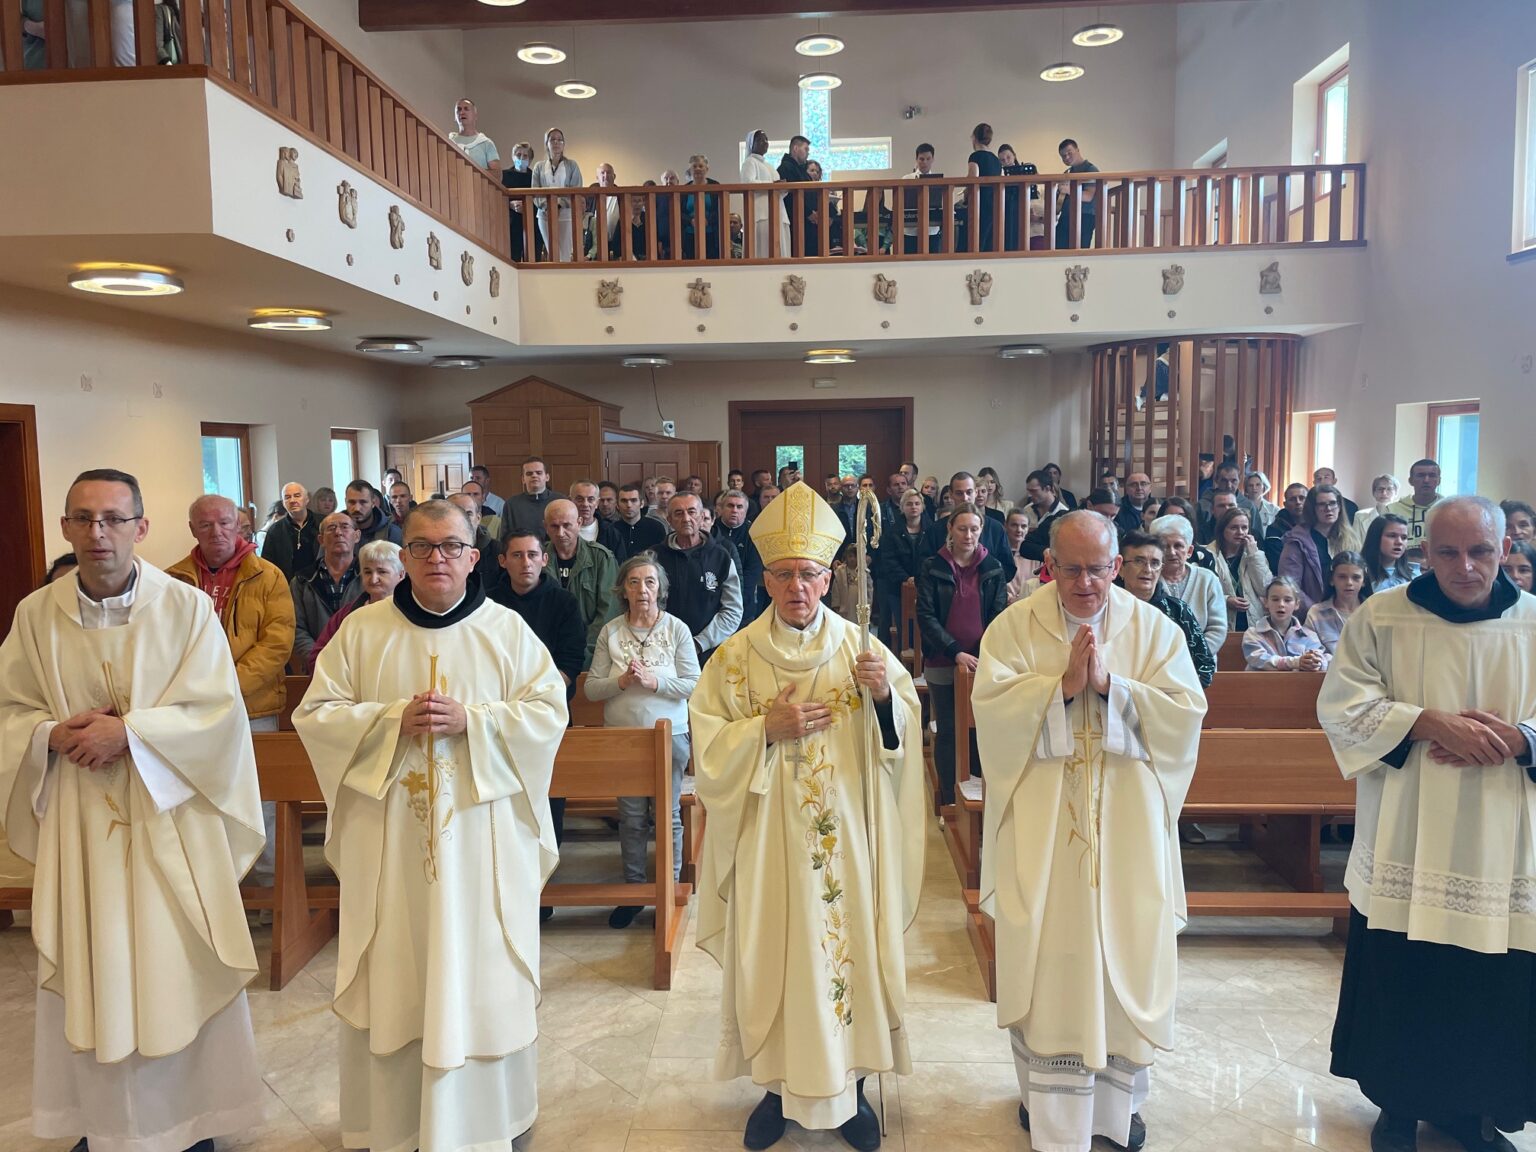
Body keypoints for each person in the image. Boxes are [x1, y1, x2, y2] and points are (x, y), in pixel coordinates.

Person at [0, 468, 268, 1152]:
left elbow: (219, 716)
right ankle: (106, 1125)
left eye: (115, 519)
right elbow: (10, 710)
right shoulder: (37, 616)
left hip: (168, 828)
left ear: (141, 529)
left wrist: (132, 734)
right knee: (95, 966)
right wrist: (48, 735)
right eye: (84, 519)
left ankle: (188, 1121)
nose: (99, 533)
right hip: (80, 827)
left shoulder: (184, 610)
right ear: (64, 527)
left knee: (172, 965)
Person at [295, 500, 568, 1152]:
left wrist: (474, 722)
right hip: (391, 852)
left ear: (475, 557)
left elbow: (548, 713)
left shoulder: (507, 633)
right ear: (402, 556)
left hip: (483, 848)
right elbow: (317, 716)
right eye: (422, 547)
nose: (437, 558)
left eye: (451, 546)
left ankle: (487, 1122)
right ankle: (394, 1125)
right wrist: (391, 721)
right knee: (399, 969)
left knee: (480, 970)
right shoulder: (361, 633)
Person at [689, 481, 926, 1151]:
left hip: (845, 841)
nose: (798, 586)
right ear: (765, 578)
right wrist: (764, 729)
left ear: (831, 577)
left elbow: (900, 743)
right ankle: (774, 1086)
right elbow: (708, 747)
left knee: (844, 956)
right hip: (765, 844)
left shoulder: (862, 651)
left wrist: (884, 699)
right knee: (774, 958)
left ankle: (848, 1091)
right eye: (785, 574)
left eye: (810, 574)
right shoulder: (733, 661)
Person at [974, 510, 1206, 1152]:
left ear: (1118, 566)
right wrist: (1060, 689)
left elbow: (1187, 715)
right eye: (1070, 569)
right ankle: (1046, 1108)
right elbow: (990, 715)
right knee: (1052, 958)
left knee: (1124, 954)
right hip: (1045, 839)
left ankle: (1117, 1109)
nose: (1085, 584)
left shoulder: (1154, 631)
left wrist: (1111, 688)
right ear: (1049, 564)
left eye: (1098, 569)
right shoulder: (1014, 628)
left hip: (1128, 838)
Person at [1319, 496, 1536, 1152]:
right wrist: (1423, 720)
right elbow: (1341, 702)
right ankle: (1397, 1109)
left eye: (1480, 551)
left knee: (1488, 980)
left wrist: (1523, 740)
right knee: (1404, 972)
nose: (1465, 566)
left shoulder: (1533, 623)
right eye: (1448, 552)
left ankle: (1469, 1113)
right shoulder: (1383, 617)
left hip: (1503, 838)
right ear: (1423, 551)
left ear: (1506, 551)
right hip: (1408, 827)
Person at [168, 494, 295, 887]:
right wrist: (194, 694)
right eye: (206, 525)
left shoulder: (268, 576)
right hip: (190, 710)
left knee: (260, 801)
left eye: (224, 523)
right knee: (201, 799)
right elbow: (161, 645)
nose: (217, 532)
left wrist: (227, 690)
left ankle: (268, 889)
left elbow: (277, 644)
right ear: (192, 529)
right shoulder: (172, 579)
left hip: (252, 708)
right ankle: (215, 891)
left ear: (239, 524)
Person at [585, 554, 700, 929]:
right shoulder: (612, 632)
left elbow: (693, 683)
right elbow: (590, 690)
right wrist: (621, 682)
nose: (642, 590)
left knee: (666, 816)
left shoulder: (677, 629)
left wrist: (654, 682)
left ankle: (668, 889)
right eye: (634, 582)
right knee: (632, 818)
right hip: (622, 739)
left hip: (670, 735)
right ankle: (634, 892)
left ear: (660, 589)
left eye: (650, 582)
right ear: (623, 590)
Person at [918, 503, 1008, 806]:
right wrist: (955, 651)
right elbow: (926, 615)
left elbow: (998, 615)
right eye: (962, 528)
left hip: (982, 662)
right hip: (943, 659)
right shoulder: (933, 565)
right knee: (948, 728)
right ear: (950, 530)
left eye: (974, 528)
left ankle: (977, 795)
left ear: (981, 530)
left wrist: (981, 653)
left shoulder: (992, 566)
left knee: (978, 727)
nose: (968, 535)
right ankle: (947, 798)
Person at [1117, 531, 1215, 686]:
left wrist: (1178, 694)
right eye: (1139, 561)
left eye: (1155, 563)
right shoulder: (1109, 609)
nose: (1148, 569)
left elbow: (1206, 665)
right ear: (1120, 568)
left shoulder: (1178, 611)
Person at [654, 492, 742, 662]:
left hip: (711, 653)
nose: (686, 518)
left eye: (692, 512)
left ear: (702, 517)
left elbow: (732, 610)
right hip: (664, 651)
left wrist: (699, 643)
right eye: (678, 513)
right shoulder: (654, 557)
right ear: (669, 520)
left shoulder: (721, 557)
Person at [542, 498, 618, 670]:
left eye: (567, 525)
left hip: (592, 652)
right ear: (545, 527)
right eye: (554, 526)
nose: (561, 533)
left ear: (579, 523)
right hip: (546, 653)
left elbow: (608, 612)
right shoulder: (536, 559)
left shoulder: (601, 558)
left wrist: (584, 649)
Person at [309, 540, 404, 671]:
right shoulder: (347, 614)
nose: (373, 579)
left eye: (382, 572)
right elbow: (318, 657)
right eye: (367, 572)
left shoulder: (410, 613)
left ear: (401, 575)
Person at [1149, 514, 1226, 661]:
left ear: (1189, 551)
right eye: (1164, 546)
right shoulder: (1148, 579)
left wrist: (1192, 658)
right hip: (1158, 663)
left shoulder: (1207, 579)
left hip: (1200, 666)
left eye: (1178, 546)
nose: (1171, 552)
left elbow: (1217, 629)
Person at [291, 511, 362, 671]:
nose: (338, 532)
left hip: (362, 665)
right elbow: (296, 628)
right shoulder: (302, 581)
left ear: (356, 536)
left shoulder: (369, 577)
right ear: (321, 539)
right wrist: (319, 660)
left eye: (345, 527)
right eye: (331, 528)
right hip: (315, 668)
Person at [1279, 483, 1361, 611]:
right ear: (1312, 509)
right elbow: (1290, 585)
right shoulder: (1297, 542)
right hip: (1311, 615)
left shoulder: (1351, 539)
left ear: (1339, 507)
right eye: (1322, 504)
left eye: (1333, 503)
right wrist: (1317, 612)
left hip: (1347, 612)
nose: (1328, 509)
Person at [928, 471, 1017, 581]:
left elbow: (1008, 568)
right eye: (959, 493)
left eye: (969, 492)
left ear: (975, 492)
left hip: (986, 593)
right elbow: (924, 569)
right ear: (951, 494)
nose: (965, 498)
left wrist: (988, 585)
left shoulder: (995, 528)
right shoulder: (936, 529)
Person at [875, 488, 934, 650]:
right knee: (904, 627)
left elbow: (933, 558)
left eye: (917, 503)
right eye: (909, 504)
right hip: (898, 587)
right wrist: (906, 578)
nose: (913, 507)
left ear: (922, 507)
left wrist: (921, 578)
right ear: (902, 508)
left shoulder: (932, 531)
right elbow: (889, 561)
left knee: (926, 625)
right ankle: (905, 662)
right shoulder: (891, 532)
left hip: (926, 586)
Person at [1243, 576, 1329, 671]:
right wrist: (1296, 662)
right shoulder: (1253, 634)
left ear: (1297, 604)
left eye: (1287, 600)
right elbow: (1259, 659)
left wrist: (1316, 663)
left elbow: (1321, 659)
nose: (1281, 604)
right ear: (1266, 602)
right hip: (1261, 685)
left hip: (1298, 685)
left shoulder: (1309, 636)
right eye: (1275, 599)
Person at [1211, 506, 1274, 633]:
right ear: (1223, 529)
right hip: (1221, 622)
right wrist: (1226, 600)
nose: (1240, 532)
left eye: (1244, 528)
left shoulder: (1255, 555)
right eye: (1234, 528)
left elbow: (1265, 589)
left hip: (1252, 623)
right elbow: (1204, 591)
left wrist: (1254, 555)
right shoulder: (1209, 554)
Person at [533, 126, 583, 261]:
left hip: (566, 213)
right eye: (552, 140)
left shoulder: (572, 165)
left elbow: (576, 189)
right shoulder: (539, 166)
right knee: (552, 252)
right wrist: (547, 206)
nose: (556, 143)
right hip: (544, 214)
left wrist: (559, 205)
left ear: (564, 144)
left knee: (565, 252)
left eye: (560, 140)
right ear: (547, 144)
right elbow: (535, 191)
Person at [714, 488, 764, 620]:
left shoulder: (753, 533)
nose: (734, 510)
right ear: (721, 508)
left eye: (739, 507)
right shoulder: (711, 530)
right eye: (730, 506)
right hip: (712, 599)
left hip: (744, 603)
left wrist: (736, 600)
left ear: (746, 511)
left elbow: (752, 571)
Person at [741, 128, 791, 257]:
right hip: (763, 214)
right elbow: (748, 183)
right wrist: (772, 185)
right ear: (752, 143)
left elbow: (776, 188)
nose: (765, 142)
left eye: (766, 139)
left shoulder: (769, 166)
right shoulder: (750, 162)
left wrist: (783, 188)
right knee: (764, 250)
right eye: (760, 140)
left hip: (777, 211)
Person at [1305, 550, 1366, 654]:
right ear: (1331, 580)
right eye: (1342, 577)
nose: (1349, 583)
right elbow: (1311, 651)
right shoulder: (1316, 613)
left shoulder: (1374, 612)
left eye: (1356, 577)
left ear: (1364, 581)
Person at [261, 480, 320, 580]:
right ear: (283, 503)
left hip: (319, 584)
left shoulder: (322, 523)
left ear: (307, 499)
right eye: (287, 497)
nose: (292, 500)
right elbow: (267, 565)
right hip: (287, 586)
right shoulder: (275, 531)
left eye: (297, 495)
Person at [500, 455, 567, 541]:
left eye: (539, 473)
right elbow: (505, 538)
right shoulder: (511, 504)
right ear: (523, 479)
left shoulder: (561, 501)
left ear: (547, 477)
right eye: (529, 473)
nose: (534, 476)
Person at [449, 491, 504, 592]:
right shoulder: (436, 552)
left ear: (478, 518)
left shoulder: (498, 550)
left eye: (468, 514)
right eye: (456, 513)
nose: (463, 519)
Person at [1386, 458, 1442, 553]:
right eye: (1421, 475)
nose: (1426, 480)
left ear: (1439, 481)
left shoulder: (1449, 510)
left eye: (1432, 475)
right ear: (1410, 480)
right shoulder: (1392, 510)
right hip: (1401, 564)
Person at [1055, 138, 1100, 249]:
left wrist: (1068, 190)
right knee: (1057, 250)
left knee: (1079, 252)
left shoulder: (1090, 169)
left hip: (1084, 216)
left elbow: (1088, 196)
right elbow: (1059, 204)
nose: (1066, 157)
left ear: (1077, 150)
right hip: (1065, 217)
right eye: (1063, 156)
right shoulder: (1067, 173)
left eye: (1069, 153)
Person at [963, 122, 1002, 252]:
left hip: (980, 203)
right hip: (994, 203)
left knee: (974, 239)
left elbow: (972, 178)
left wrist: (965, 194)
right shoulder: (996, 160)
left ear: (974, 138)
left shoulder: (975, 156)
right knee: (988, 241)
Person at [901, 142, 945, 254]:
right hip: (910, 230)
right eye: (921, 159)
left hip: (932, 230)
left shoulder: (940, 181)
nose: (924, 162)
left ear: (933, 159)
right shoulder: (906, 179)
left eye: (928, 158)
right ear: (916, 159)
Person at [777, 134, 815, 255]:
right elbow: (791, 196)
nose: (808, 153)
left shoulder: (800, 169)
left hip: (807, 219)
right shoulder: (785, 168)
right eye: (806, 149)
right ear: (795, 148)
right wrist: (808, 213)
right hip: (796, 219)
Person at [1361, 513, 1417, 594]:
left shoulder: (1413, 574)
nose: (1399, 542)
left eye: (1404, 537)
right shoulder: (1359, 572)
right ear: (1375, 537)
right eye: (1392, 536)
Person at [682, 154, 724, 260]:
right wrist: (690, 221)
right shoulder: (684, 189)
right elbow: (680, 212)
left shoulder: (715, 186)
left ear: (707, 169)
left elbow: (719, 209)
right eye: (694, 166)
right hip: (690, 234)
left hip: (711, 234)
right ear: (690, 169)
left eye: (700, 166)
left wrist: (708, 220)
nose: (697, 169)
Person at [569, 478, 625, 555]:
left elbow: (620, 564)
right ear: (570, 501)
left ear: (597, 503)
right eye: (579, 499)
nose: (585, 504)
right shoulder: (561, 530)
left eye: (590, 499)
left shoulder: (611, 532)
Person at [503, 141, 539, 262]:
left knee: (534, 258)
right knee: (513, 259)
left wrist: (528, 206)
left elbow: (540, 199)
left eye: (525, 156)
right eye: (518, 155)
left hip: (532, 222)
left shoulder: (535, 177)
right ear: (513, 157)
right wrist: (509, 204)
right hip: (511, 223)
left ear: (530, 159)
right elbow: (499, 197)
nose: (521, 158)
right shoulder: (505, 175)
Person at [613, 480, 667, 559]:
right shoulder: (611, 530)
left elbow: (663, 557)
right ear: (617, 505)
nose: (629, 505)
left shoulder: (656, 527)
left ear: (642, 504)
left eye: (633, 500)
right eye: (624, 501)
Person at [449, 97, 500, 171]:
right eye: (459, 109)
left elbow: (497, 175)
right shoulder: (449, 142)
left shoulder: (486, 143)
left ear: (475, 115)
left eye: (466, 109)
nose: (462, 112)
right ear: (455, 116)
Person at [345, 480, 402, 546]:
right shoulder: (335, 532)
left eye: (363, 502)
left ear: (373, 503)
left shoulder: (392, 533)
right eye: (352, 502)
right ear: (346, 502)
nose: (357, 508)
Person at [1243, 470, 1281, 536]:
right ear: (1246, 488)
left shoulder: (1274, 509)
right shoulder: (1240, 506)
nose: (1254, 488)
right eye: (1250, 485)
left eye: (1258, 485)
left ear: (1264, 487)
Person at [1117, 473, 1153, 537]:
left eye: (1143, 484)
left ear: (1150, 488)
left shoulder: (1159, 506)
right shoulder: (1117, 509)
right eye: (1134, 485)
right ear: (1127, 489)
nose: (1139, 488)